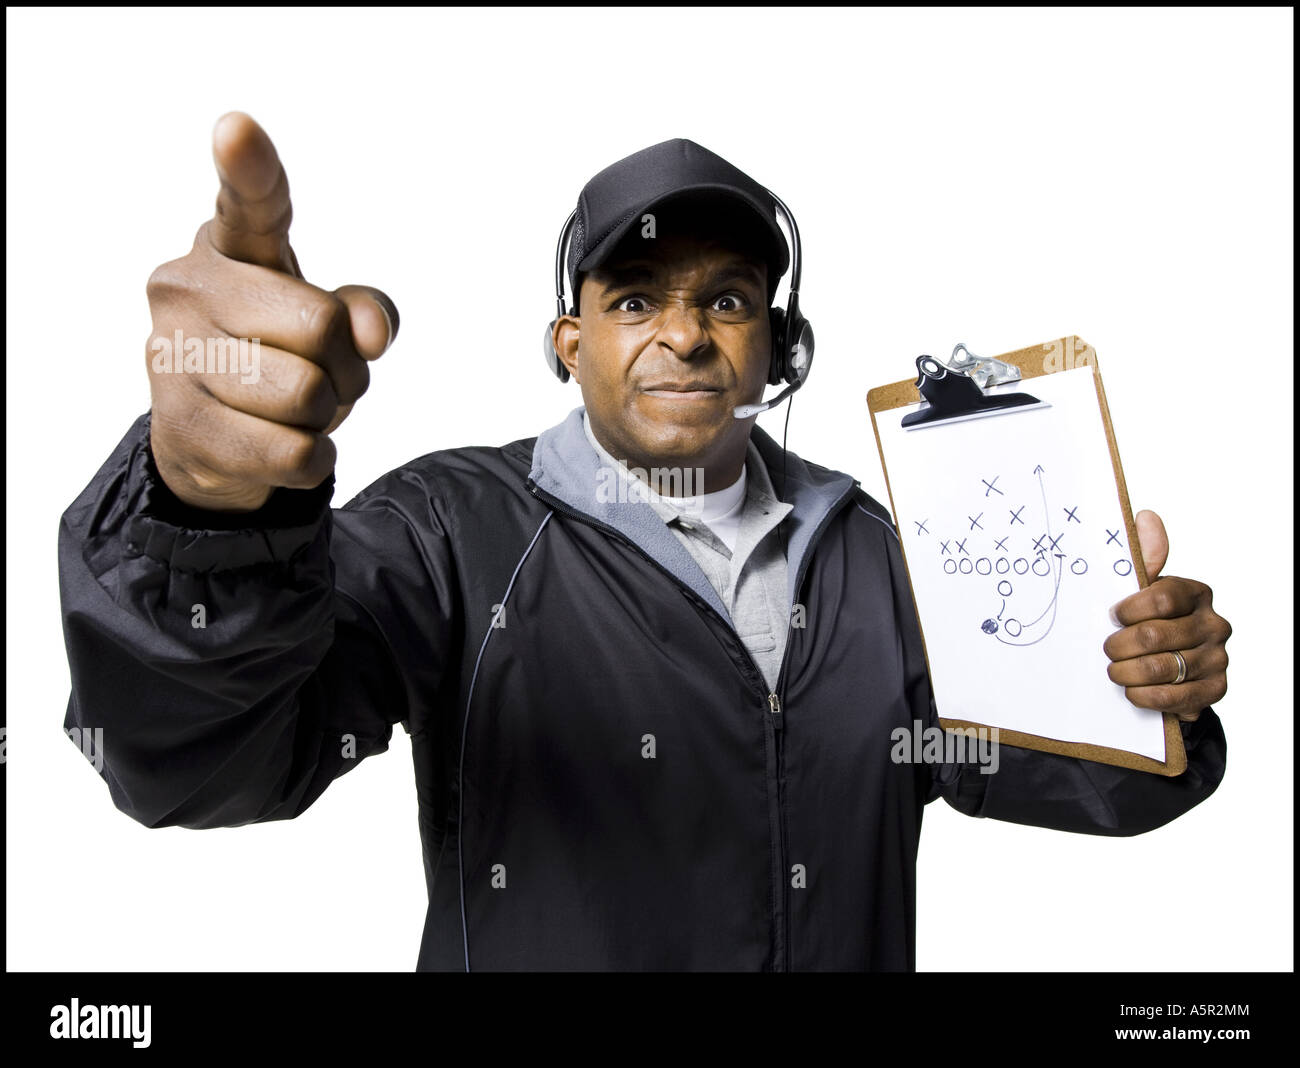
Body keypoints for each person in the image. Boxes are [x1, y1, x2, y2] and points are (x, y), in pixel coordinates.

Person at [58, 113, 1231, 971]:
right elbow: (200, 765)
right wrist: (208, 514)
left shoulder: (879, 553)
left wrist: (1142, 689)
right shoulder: (448, 531)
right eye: (634, 300)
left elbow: (1089, 782)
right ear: (569, 342)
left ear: (781, 347)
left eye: (726, 300)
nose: (684, 333)